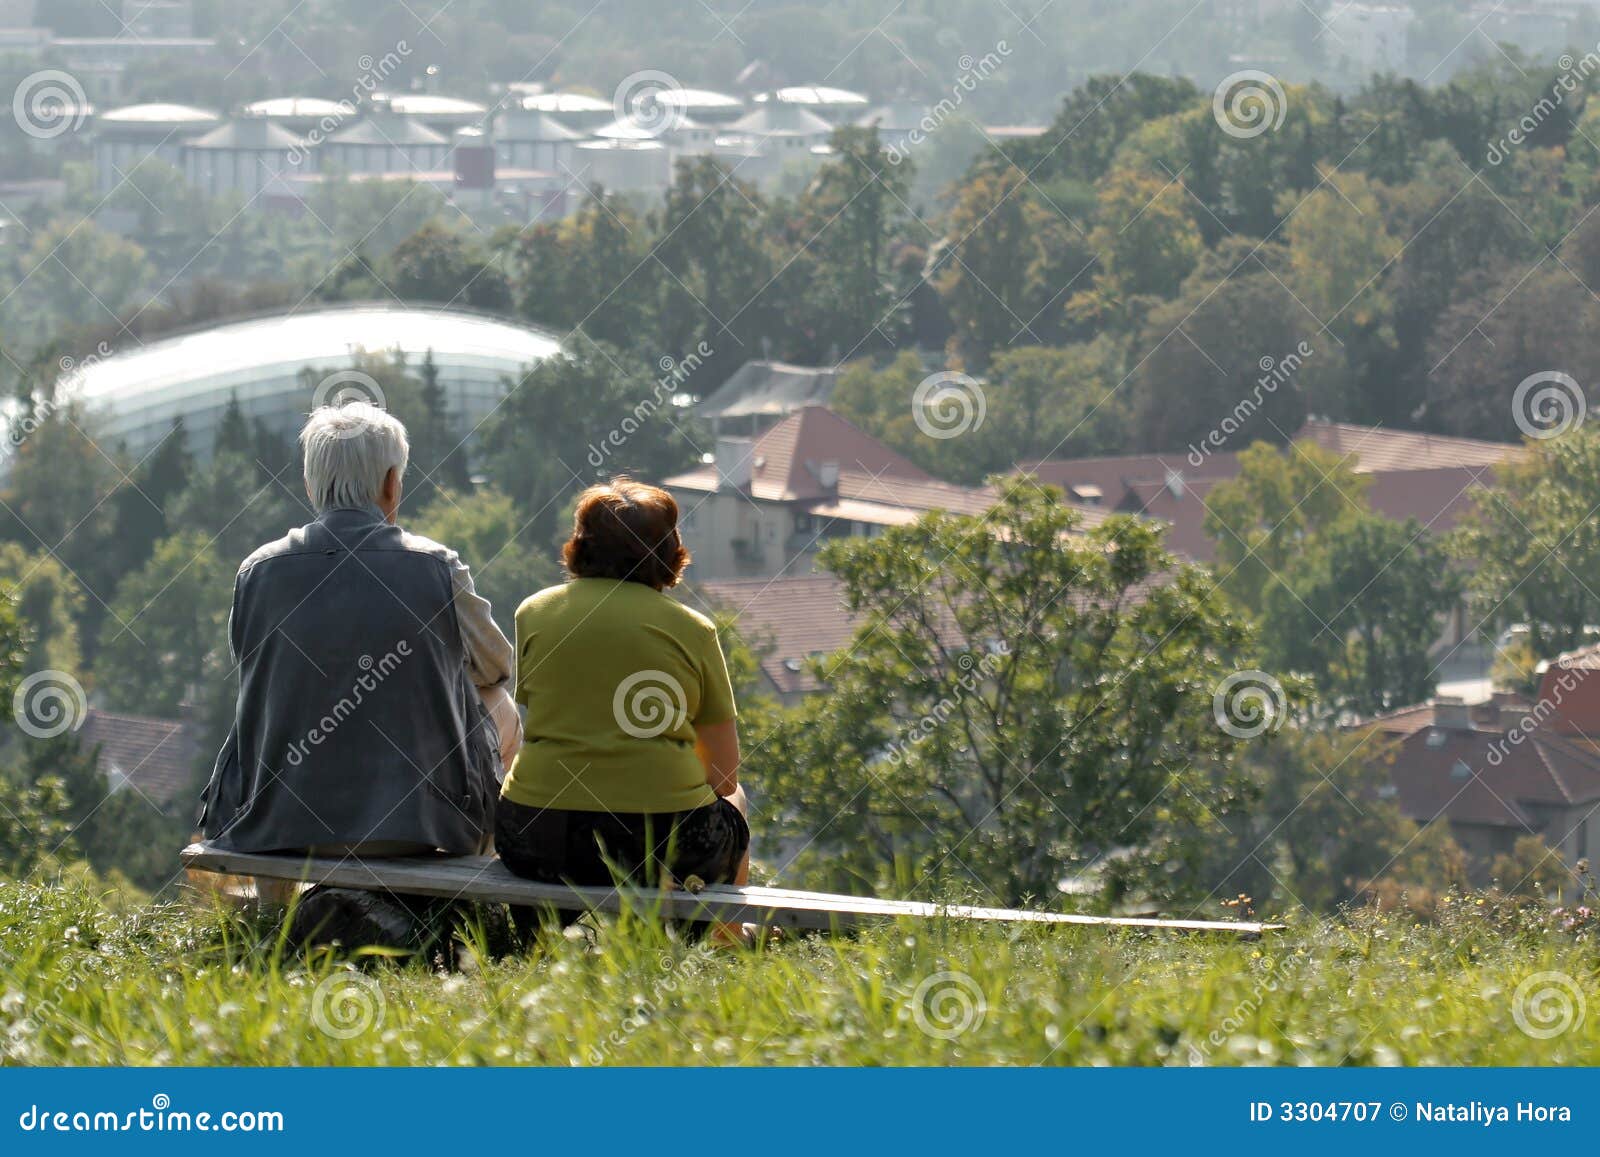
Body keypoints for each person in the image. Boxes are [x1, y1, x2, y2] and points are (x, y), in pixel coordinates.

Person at [198, 401, 523, 946]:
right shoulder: (437, 566)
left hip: (279, 827)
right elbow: (497, 666)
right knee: (497, 702)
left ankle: (271, 926)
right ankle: (459, 910)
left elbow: (249, 660)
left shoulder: (257, 570)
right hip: (423, 829)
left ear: (312, 484)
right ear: (392, 485)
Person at [495, 479, 750, 921]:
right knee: (737, 799)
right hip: (660, 843)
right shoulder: (694, 630)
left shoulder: (532, 613)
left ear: (580, 546)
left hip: (535, 835)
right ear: (671, 552)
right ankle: (725, 937)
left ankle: (532, 947)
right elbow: (724, 775)